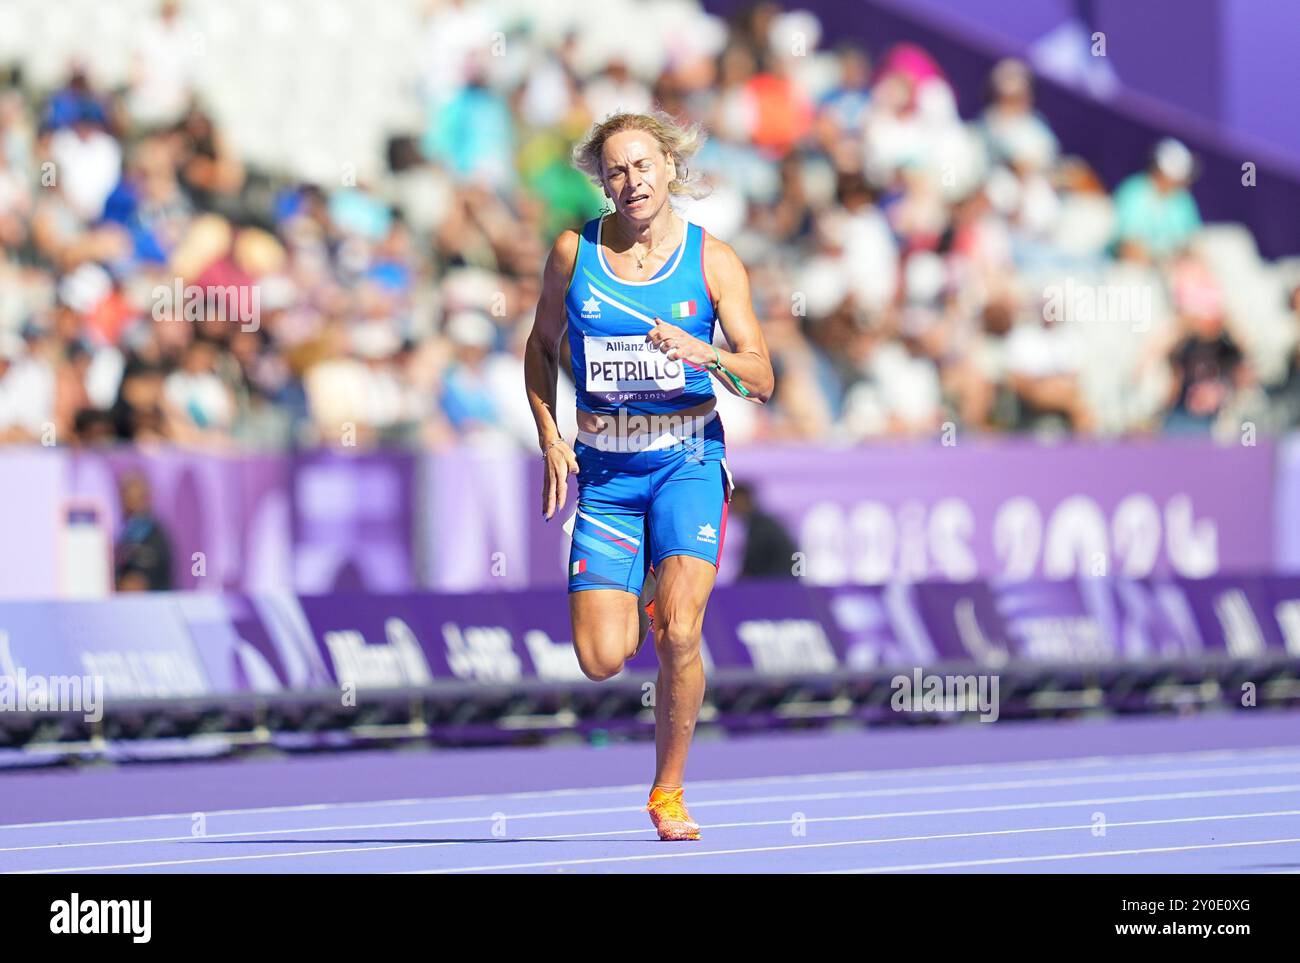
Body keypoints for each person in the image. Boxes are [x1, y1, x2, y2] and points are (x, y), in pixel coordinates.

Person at [524, 111, 774, 840]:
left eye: (642, 166)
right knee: (602, 659)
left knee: (682, 633)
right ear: (601, 182)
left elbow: (762, 376)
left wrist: (707, 357)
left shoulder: (713, 261)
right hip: (605, 472)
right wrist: (548, 432)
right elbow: (540, 348)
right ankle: (642, 586)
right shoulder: (574, 253)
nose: (631, 182)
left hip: (688, 462)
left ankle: (668, 790)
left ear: (669, 168)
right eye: (616, 171)